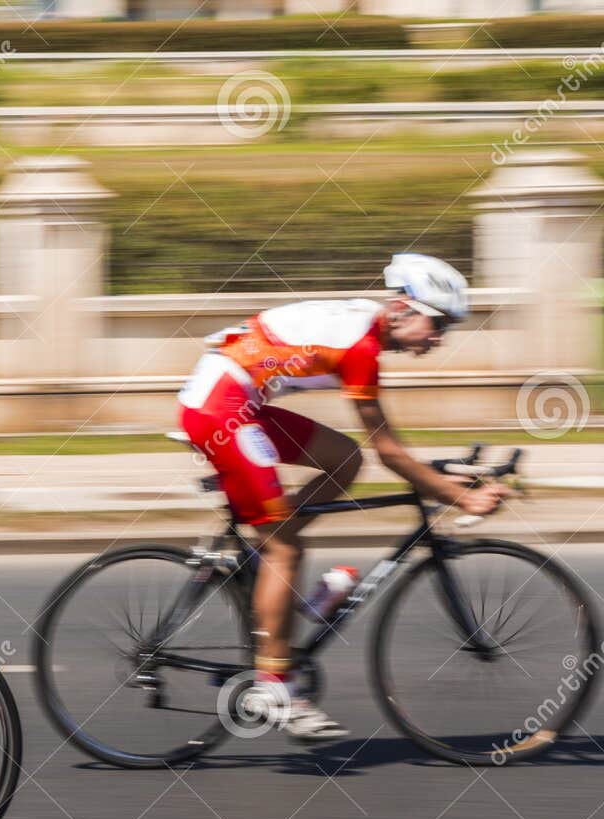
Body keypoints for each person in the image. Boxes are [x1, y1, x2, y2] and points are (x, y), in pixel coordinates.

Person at [176, 253, 505, 741]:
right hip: (220, 408)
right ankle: (273, 688)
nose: (438, 339)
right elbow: (391, 452)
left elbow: (381, 450)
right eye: (437, 325)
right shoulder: (361, 348)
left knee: (346, 460)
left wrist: (444, 474)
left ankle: (273, 570)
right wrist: (460, 497)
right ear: (402, 309)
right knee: (287, 546)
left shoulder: (367, 331)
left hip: (237, 399)